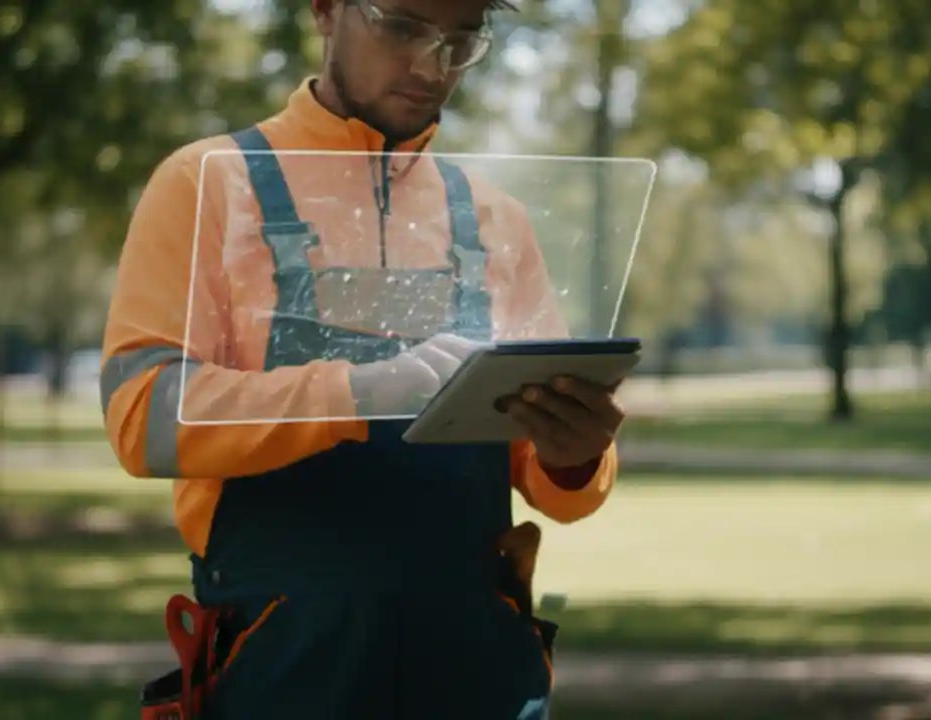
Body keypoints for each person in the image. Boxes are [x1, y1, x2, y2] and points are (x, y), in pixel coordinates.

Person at [100, 0, 626, 717]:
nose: (431, 65)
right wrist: (355, 392)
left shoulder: (495, 216)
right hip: (285, 662)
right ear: (324, 10)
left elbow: (551, 480)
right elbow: (145, 417)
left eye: (461, 39)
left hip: (475, 668)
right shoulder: (210, 184)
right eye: (404, 27)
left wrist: (576, 455)